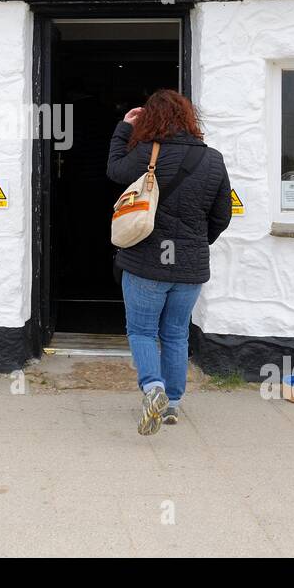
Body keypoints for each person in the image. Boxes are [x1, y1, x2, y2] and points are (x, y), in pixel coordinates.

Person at [106, 89, 233, 435]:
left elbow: (115, 171)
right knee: (176, 333)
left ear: (151, 120)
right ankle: (173, 404)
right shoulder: (214, 160)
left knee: (143, 331)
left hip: (146, 261)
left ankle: (154, 389)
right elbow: (223, 215)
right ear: (189, 119)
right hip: (190, 268)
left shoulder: (148, 152)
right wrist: (196, 244)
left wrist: (123, 129)